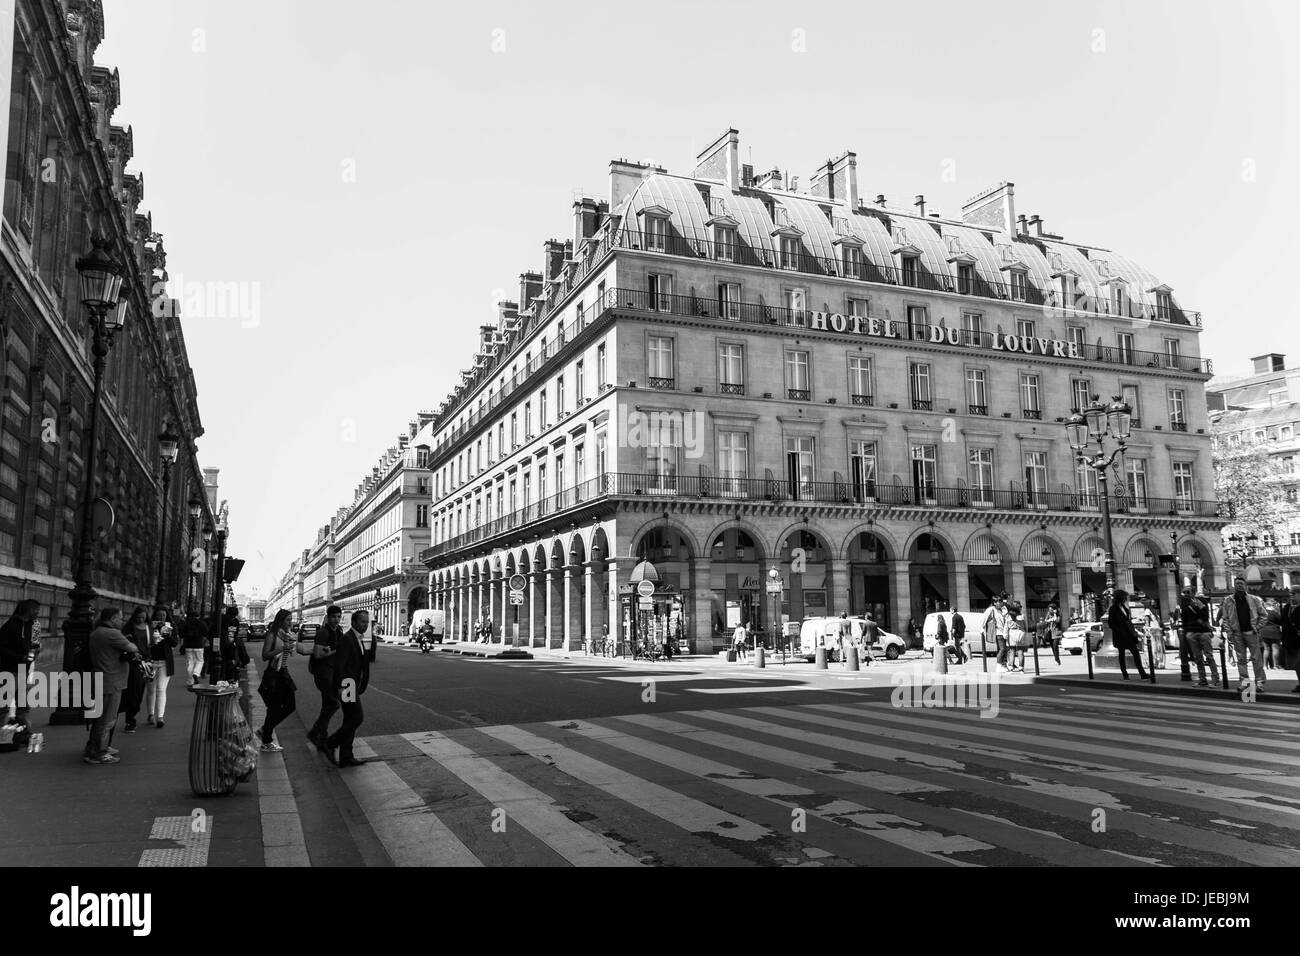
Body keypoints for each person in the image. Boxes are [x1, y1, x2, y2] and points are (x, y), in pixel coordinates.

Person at [86, 607, 139, 765]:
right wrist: (128, 641)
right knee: (107, 719)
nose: (122, 621)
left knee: (99, 718)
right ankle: (99, 752)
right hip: (112, 681)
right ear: (113, 618)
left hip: (101, 678)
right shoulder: (112, 633)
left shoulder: (97, 632)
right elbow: (132, 648)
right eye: (120, 618)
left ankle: (93, 747)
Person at [323, 610, 376, 767]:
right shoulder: (347, 639)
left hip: (352, 684)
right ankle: (330, 743)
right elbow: (340, 666)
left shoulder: (357, 638)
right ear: (353, 622)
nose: (365, 625)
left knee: (350, 719)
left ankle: (346, 755)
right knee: (357, 718)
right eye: (362, 622)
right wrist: (341, 686)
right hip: (347, 685)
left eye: (367, 622)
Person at [257, 610, 297, 753]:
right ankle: (266, 741)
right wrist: (281, 648)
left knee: (290, 706)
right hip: (274, 675)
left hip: (283, 673)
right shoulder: (272, 635)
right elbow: (265, 656)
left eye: (291, 620)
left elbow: (296, 650)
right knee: (274, 708)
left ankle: (265, 730)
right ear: (280, 621)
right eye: (287, 620)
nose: (290, 623)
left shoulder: (287, 635)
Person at [1219, 576, 1267, 690]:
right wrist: (1229, 632)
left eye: (1241, 583)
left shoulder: (1253, 599)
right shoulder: (1228, 600)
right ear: (1234, 585)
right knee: (1241, 660)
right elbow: (1225, 618)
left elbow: (1264, 615)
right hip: (1237, 633)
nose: (1239, 585)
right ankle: (1245, 683)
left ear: (1245, 586)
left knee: (1256, 658)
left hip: (1251, 632)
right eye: (1237, 583)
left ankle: (1259, 682)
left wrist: (1258, 627)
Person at [306, 606, 343, 749]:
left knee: (327, 705)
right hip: (322, 673)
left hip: (332, 673)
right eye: (333, 617)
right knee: (334, 704)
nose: (336, 619)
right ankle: (315, 732)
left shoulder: (338, 631)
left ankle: (322, 737)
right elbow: (317, 654)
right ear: (328, 617)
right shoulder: (323, 632)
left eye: (339, 617)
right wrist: (335, 651)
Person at [0, 599, 40, 724]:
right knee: (3, 705)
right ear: (28, 610)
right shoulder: (11, 625)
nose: (37, 613)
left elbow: (30, 644)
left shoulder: (30, 626)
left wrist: (33, 653)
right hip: (9, 670)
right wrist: (20, 657)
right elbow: (1, 648)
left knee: (23, 705)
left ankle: (22, 732)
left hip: (23, 670)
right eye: (36, 610)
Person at [1179, 586, 1219, 687]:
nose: (1186, 594)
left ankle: (1215, 679)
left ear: (1193, 592)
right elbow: (1184, 619)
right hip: (1192, 632)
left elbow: (1205, 616)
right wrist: (1187, 632)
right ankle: (1202, 679)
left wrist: (1195, 606)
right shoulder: (1184, 604)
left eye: (1188, 592)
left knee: (1209, 656)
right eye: (1184, 593)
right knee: (1198, 658)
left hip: (1203, 631)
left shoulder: (1200, 601)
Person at [120, 607, 151, 733]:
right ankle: (130, 719)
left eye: (143, 617)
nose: (141, 619)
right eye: (138, 617)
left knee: (140, 690)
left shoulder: (148, 627)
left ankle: (133, 712)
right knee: (134, 689)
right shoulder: (129, 627)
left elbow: (151, 643)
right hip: (133, 662)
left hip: (146, 661)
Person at [146, 611, 178, 729]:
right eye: (159, 615)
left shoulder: (170, 627)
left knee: (161, 689)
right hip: (151, 661)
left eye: (164, 615)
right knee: (151, 690)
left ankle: (160, 717)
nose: (161, 617)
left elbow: (175, 643)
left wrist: (166, 634)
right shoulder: (149, 626)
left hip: (165, 662)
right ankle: (150, 714)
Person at [1108, 589, 1148, 681]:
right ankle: (1125, 674)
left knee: (1136, 653)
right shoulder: (1113, 608)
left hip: (1129, 634)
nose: (1126, 598)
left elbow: (1127, 621)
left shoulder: (1124, 607)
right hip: (1120, 635)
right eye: (1125, 597)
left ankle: (1142, 673)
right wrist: (1119, 630)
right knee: (1121, 654)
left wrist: (1134, 631)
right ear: (1120, 598)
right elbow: (1111, 623)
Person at [1280, 586, 1300, 693]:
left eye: (1293, 594)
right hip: (1291, 640)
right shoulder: (1287, 607)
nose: (1291, 596)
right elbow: (1283, 622)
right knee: (1296, 665)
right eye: (1290, 594)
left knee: (1298, 663)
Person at [181, 615, 209, 688]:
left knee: (190, 662)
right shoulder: (201, 623)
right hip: (198, 644)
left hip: (188, 645)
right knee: (200, 661)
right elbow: (206, 632)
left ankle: (190, 681)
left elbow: (182, 634)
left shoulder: (187, 623)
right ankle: (196, 673)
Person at [1260, 598, 1283, 670]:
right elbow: (1281, 621)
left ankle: (1265, 666)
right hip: (1274, 632)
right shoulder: (1274, 613)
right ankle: (1275, 665)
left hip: (1264, 632)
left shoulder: (1262, 613)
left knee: (1266, 649)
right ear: (1272, 605)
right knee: (1275, 648)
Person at [992, 597, 1012, 672]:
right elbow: (984, 618)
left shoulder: (1003, 610)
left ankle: (1004, 665)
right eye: (998, 602)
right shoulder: (992, 610)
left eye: (1000, 601)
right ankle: (999, 666)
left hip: (1005, 632)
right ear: (994, 603)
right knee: (1002, 649)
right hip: (999, 632)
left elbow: (1006, 619)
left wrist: (1005, 612)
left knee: (1005, 649)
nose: (1000, 603)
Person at [1007, 604, 1028, 672]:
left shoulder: (1009, 616)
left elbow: (1006, 626)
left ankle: (1011, 666)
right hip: (1020, 633)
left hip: (1012, 633)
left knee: (1012, 651)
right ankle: (1021, 667)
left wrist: (1005, 634)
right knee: (1020, 651)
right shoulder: (1022, 616)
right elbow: (1025, 626)